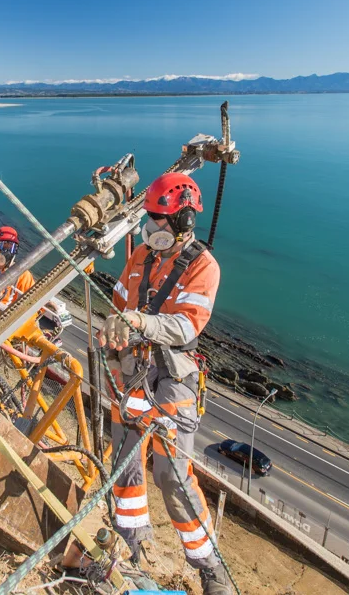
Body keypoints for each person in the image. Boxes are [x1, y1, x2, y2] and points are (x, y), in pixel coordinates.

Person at [98, 172, 228, 594]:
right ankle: (131, 541)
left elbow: (185, 324)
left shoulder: (204, 268)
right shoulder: (140, 258)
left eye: (156, 219)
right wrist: (112, 337)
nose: (148, 227)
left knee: (172, 474)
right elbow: (117, 304)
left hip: (172, 374)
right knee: (124, 462)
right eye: (149, 218)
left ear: (182, 222)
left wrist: (138, 320)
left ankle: (209, 567)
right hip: (130, 369)